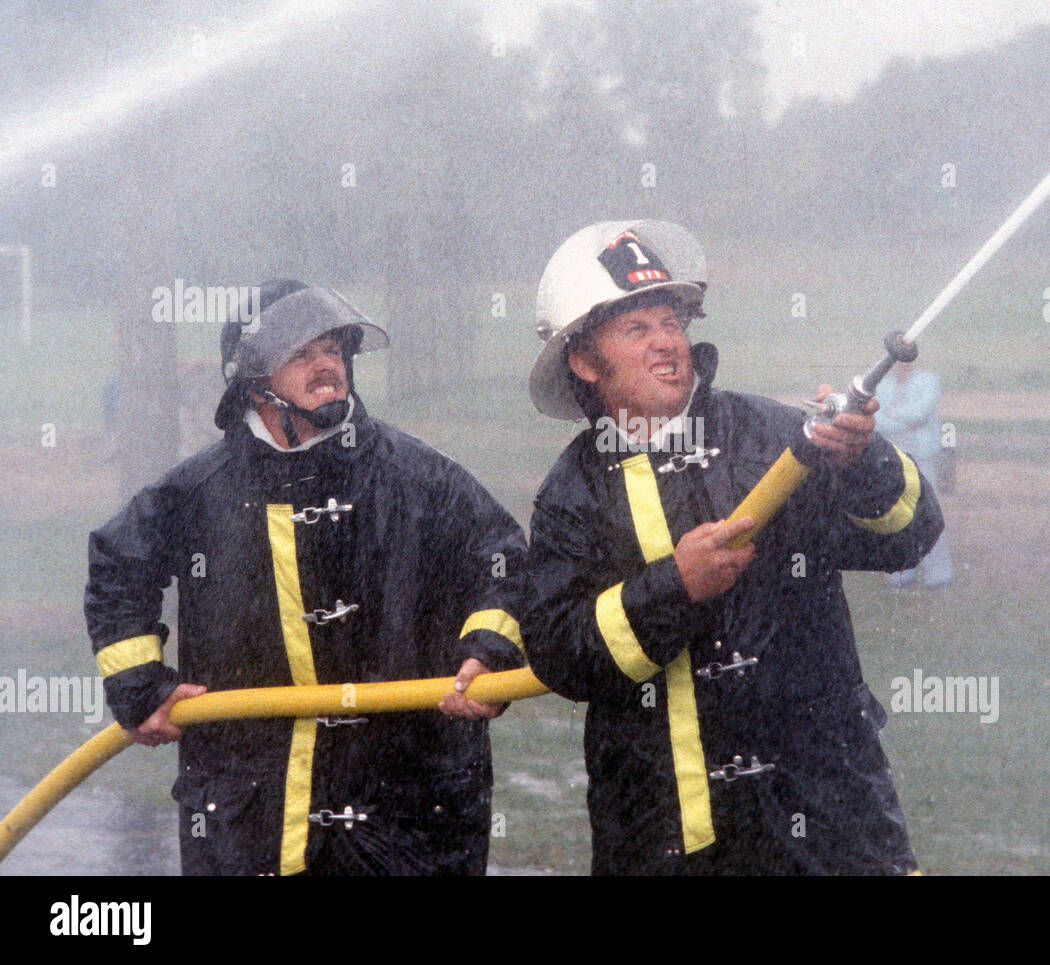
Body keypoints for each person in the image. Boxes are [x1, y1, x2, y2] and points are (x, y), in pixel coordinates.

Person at [521, 221, 945, 874]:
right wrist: (673, 588)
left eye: (671, 322)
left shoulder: (776, 436)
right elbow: (560, 652)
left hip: (833, 832)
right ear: (583, 361)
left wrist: (864, 461)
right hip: (666, 842)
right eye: (638, 329)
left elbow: (910, 534)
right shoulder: (571, 494)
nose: (667, 343)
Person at [86, 279, 527, 875]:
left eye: (334, 350)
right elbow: (118, 564)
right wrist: (141, 685)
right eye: (302, 353)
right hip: (250, 815)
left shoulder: (419, 478)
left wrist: (490, 652)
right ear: (254, 378)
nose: (328, 365)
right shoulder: (198, 491)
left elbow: (502, 559)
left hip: (409, 815)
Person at [874, 361, 955, 588]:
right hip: (893, 459)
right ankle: (900, 575)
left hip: (922, 457)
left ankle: (939, 576)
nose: (899, 364)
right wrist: (898, 418)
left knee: (928, 514)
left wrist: (888, 413)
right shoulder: (882, 385)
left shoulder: (928, 380)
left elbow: (920, 414)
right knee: (895, 515)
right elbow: (876, 420)